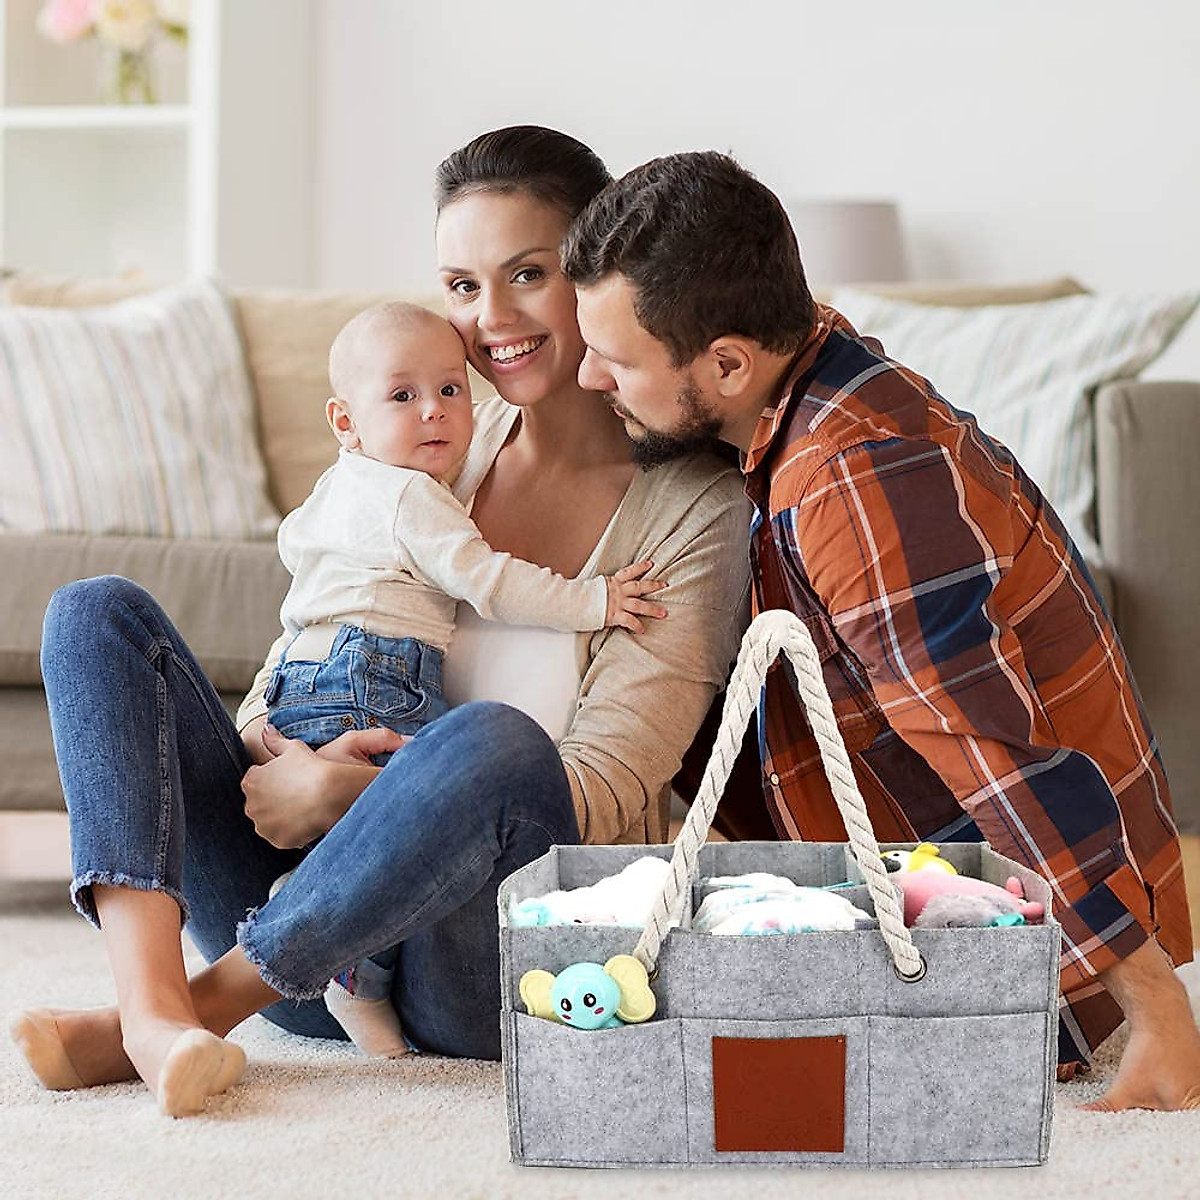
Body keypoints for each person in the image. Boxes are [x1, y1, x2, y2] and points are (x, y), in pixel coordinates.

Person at [8, 127, 750, 1117]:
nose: (491, 321)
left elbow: (598, 795)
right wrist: (271, 737)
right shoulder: (433, 424)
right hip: (316, 949)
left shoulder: (693, 506)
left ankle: (208, 1002)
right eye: (460, 285)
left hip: (475, 970)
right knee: (95, 614)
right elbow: (324, 616)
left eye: (527, 274)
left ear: (596, 273)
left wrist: (345, 795)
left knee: (494, 739)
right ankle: (151, 1017)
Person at [562, 149, 1200, 1113]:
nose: (587, 375)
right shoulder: (812, 383)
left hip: (1024, 964)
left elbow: (990, 751)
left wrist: (1157, 1009)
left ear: (729, 363)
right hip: (919, 875)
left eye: (613, 359)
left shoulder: (849, 479)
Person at [258, 299, 667, 1056]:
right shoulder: (416, 497)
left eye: (451, 390)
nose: (434, 414)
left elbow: (297, 604)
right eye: (402, 396)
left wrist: (266, 729)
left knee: (380, 823)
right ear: (346, 422)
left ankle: (310, 909)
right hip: (376, 678)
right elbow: (490, 582)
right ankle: (346, 956)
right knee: (423, 826)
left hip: (301, 676)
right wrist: (596, 599)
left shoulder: (330, 493)